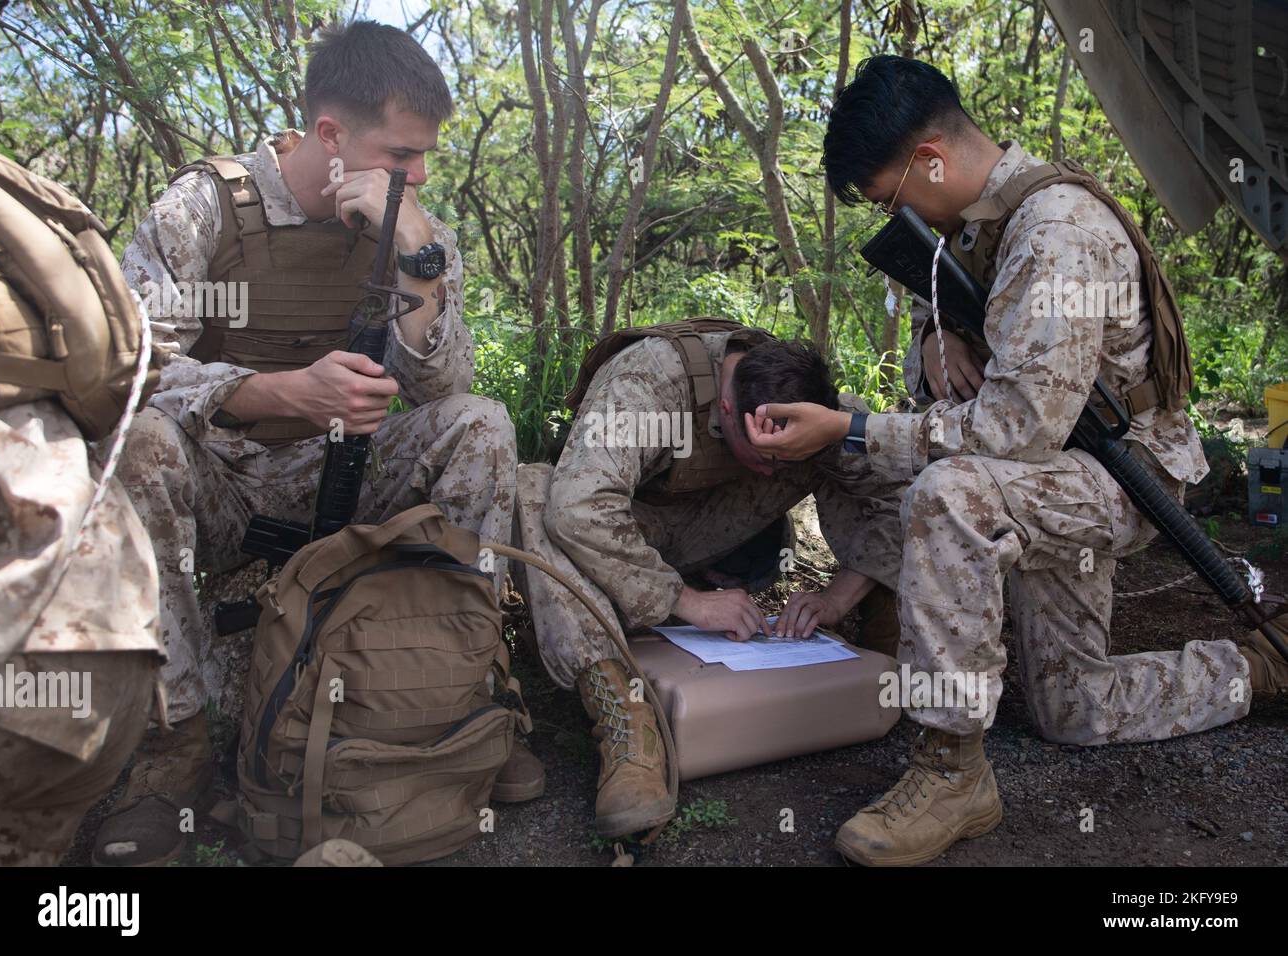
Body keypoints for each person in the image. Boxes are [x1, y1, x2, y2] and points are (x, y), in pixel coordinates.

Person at [747, 54, 1288, 867]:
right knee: (1076, 707)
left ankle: (951, 769)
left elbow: (1009, 432)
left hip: (1119, 476)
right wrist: (934, 342)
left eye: (891, 197)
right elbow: (954, 337)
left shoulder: (1055, 230)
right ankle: (1259, 668)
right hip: (1049, 475)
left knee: (950, 491)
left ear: (930, 158)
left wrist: (848, 430)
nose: (899, 215)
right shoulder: (979, 223)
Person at [100, 20, 534, 867]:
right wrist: (274, 391)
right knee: (142, 444)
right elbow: (129, 372)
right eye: (403, 153)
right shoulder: (203, 207)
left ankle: (460, 688)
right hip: (223, 479)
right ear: (332, 137)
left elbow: (444, 386)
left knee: (482, 425)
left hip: (351, 474)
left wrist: (415, 257)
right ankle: (172, 749)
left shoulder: (412, 222)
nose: (419, 175)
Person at [514, 320, 905, 838]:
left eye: (785, 456)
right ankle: (627, 728)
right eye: (763, 455)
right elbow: (579, 508)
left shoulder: (802, 405)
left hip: (717, 537)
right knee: (535, 493)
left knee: (883, 465)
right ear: (726, 408)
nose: (772, 471)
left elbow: (897, 497)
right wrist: (687, 602)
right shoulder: (648, 378)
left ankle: (889, 649)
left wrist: (837, 599)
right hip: (630, 536)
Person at [0, 148, 165, 865]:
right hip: (98, 639)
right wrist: (258, 393)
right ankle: (175, 758)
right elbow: (144, 377)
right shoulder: (17, 198)